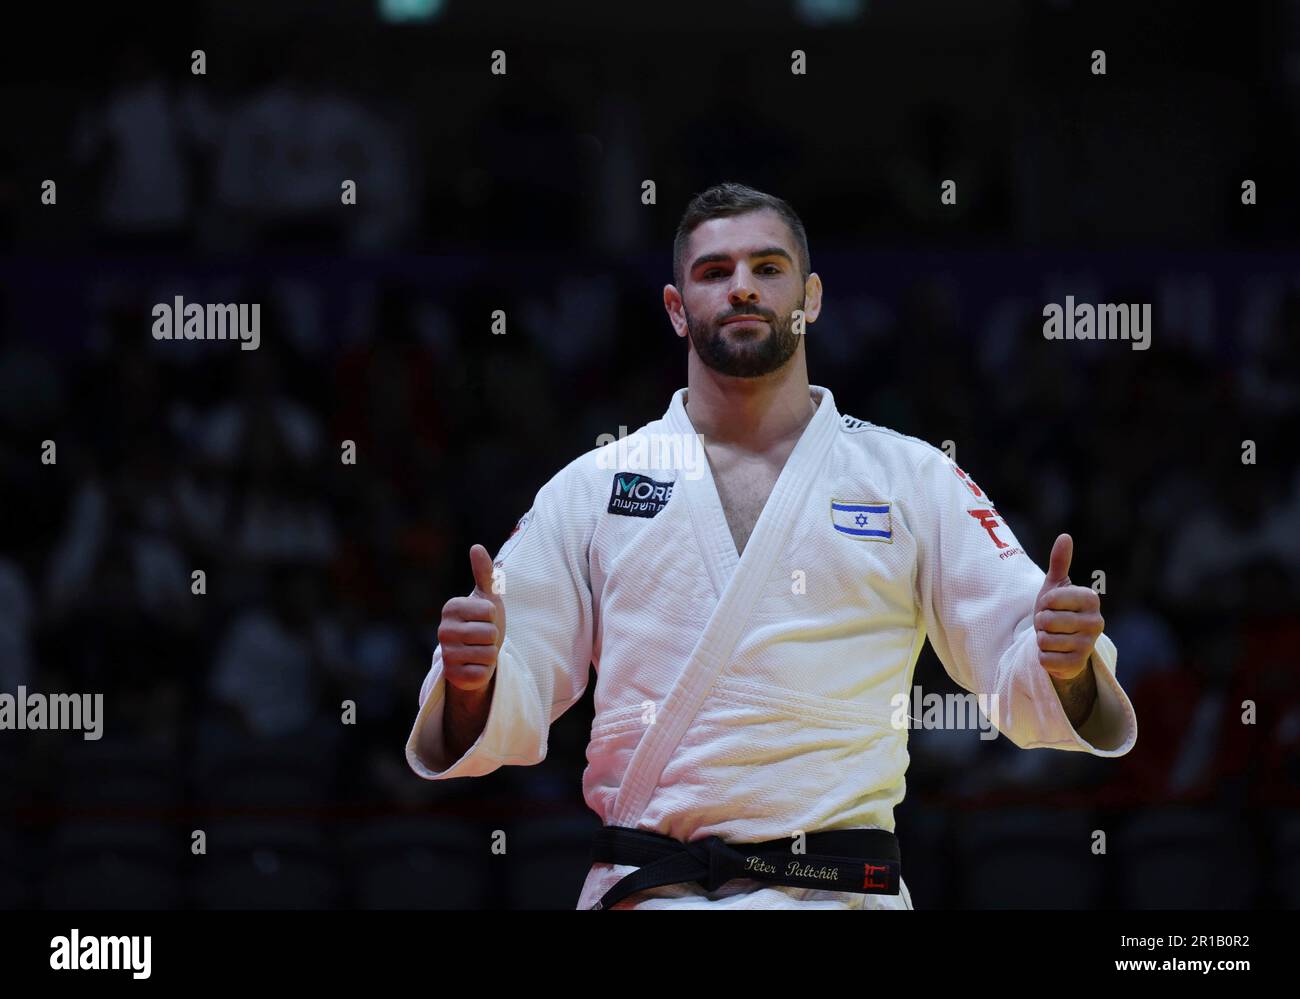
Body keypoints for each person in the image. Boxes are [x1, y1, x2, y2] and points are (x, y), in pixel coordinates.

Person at [406, 182, 1137, 909]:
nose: (743, 289)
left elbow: (1022, 651)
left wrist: (1065, 661)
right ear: (675, 309)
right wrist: (472, 684)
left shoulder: (910, 477)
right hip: (652, 894)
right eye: (715, 272)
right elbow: (504, 689)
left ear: (811, 297)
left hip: (840, 896)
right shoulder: (594, 486)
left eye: (767, 267)